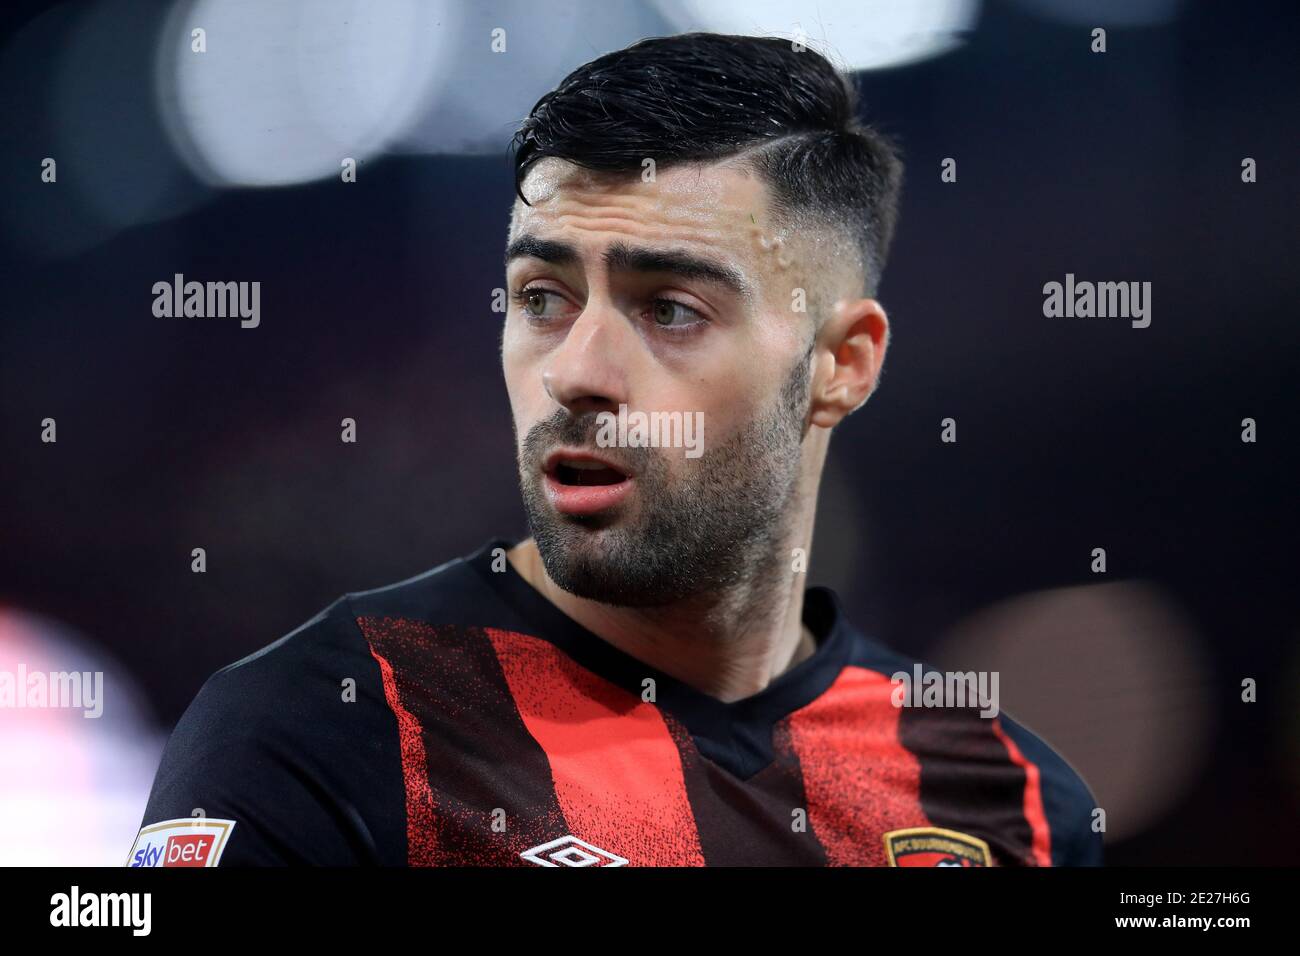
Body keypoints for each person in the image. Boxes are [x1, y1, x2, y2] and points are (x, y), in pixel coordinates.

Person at [130, 32, 1101, 867]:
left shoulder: (1006, 797)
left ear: (840, 363)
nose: (575, 371)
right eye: (544, 298)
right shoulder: (321, 729)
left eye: (670, 308)